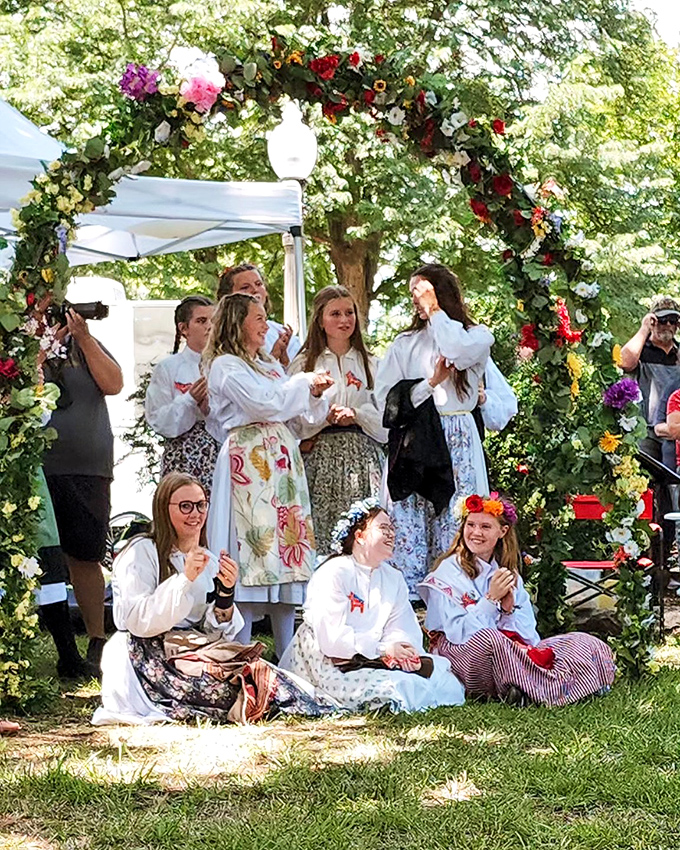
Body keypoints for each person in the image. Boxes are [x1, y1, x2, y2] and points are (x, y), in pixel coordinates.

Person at [93, 473, 333, 725]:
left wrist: (226, 593)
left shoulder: (208, 560)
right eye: (185, 506)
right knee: (224, 691)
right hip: (146, 654)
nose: (195, 514)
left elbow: (214, 629)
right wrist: (183, 580)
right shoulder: (140, 552)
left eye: (201, 505)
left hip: (194, 650)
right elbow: (138, 621)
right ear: (164, 510)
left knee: (261, 677)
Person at [204, 293, 333, 658]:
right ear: (237, 322)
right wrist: (302, 384)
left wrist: (315, 394)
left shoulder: (269, 365)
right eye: (258, 318)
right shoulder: (225, 366)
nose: (265, 325)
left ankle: (288, 652)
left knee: (285, 547)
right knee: (251, 550)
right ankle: (240, 650)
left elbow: (298, 414)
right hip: (248, 459)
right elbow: (263, 403)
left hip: (280, 459)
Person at [419, 493, 616, 706]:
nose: (476, 533)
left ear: (502, 532)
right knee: (491, 641)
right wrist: (490, 599)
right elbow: (460, 635)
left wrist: (508, 610)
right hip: (466, 654)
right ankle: (553, 688)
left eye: (485, 527)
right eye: (471, 525)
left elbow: (530, 638)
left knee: (583, 642)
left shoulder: (507, 573)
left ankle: (525, 689)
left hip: (510, 652)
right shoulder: (448, 571)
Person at [280, 499, 465, 712]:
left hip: (377, 658)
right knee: (396, 688)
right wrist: (384, 649)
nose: (391, 534)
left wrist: (403, 652)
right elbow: (332, 640)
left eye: (392, 528)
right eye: (383, 528)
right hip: (329, 662)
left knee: (444, 680)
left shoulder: (393, 578)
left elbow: (401, 625)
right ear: (359, 536)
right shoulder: (334, 572)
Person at [375, 263, 493, 595]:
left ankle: (456, 597)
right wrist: (428, 386)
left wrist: (436, 311)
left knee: (455, 518)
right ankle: (411, 601)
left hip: (457, 434)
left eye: (422, 291)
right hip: (416, 436)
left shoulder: (477, 336)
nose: (416, 299)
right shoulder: (404, 343)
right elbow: (385, 396)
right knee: (411, 519)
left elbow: (455, 351)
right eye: (414, 293)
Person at [42, 306, 123, 670]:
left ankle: (96, 637)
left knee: (86, 555)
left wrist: (85, 338)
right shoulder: (22, 349)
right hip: (41, 467)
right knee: (45, 558)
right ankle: (54, 641)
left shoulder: (85, 344)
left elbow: (114, 383)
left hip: (89, 468)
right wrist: (42, 349)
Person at [289, 285, 387, 555]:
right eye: (335, 314)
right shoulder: (305, 365)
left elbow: (387, 424)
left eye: (349, 312)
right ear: (320, 320)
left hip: (363, 457)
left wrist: (357, 415)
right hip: (321, 456)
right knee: (323, 533)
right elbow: (292, 422)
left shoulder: (372, 365)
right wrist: (324, 415)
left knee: (365, 531)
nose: (345, 320)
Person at [145, 296, 219, 494]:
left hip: (221, 456)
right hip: (184, 457)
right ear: (183, 328)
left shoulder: (228, 365)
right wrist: (189, 400)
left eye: (214, 321)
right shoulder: (169, 367)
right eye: (201, 321)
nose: (209, 327)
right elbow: (157, 418)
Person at [620, 295, 680, 461]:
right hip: (646, 432)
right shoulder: (641, 349)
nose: (667, 325)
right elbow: (624, 362)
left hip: (675, 430)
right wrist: (644, 329)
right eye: (662, 319)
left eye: (673, 320)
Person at [217, 264, 301, 368]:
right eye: (245, 287)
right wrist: (273, 356)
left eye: (258, 284)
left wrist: (284, 359)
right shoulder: (219, 337)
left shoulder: (280, 332)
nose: (254, 290)